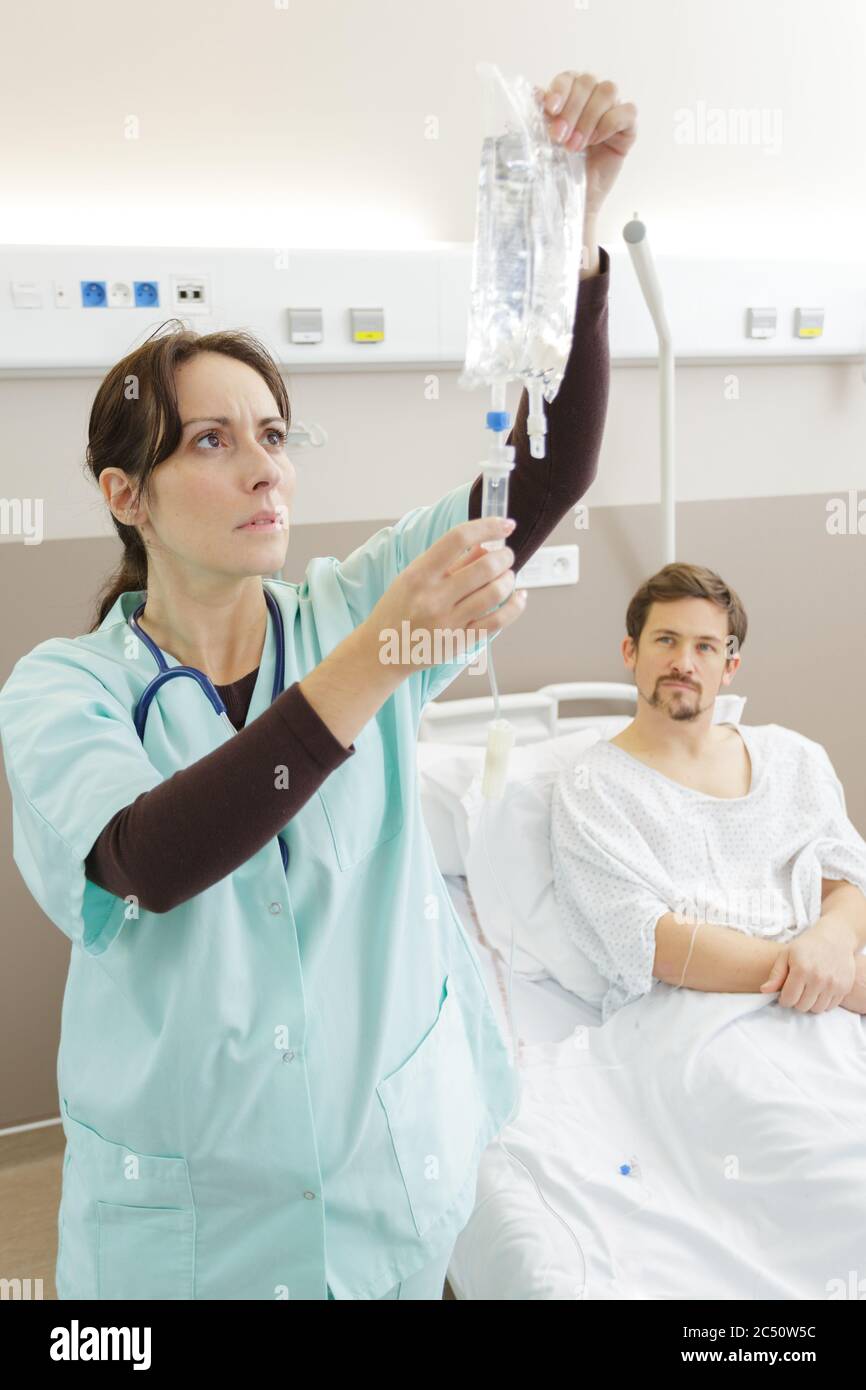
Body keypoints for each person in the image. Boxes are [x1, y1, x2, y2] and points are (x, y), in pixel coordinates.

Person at [0, 71, 636, 1300]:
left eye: (274, 435)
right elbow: (153, 856)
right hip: (188, 1244)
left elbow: (540, 481)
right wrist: (379, 661)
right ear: (123, 495)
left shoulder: (352, 601)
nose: (262, 468)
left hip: (385, 1194)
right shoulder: (60, 690)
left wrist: (576, 241)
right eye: (211, 440)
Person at [551, 562, 866, 1026]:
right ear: (630, 651)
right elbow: (650, 940)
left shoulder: (792, 758)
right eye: (665, 640)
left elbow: (848, 879)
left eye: (705, 646)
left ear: (729, 666)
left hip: (833, 992)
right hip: (695, 1018)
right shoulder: (594, 787)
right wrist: (825, 976)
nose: (684, 662)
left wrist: (833, 944)